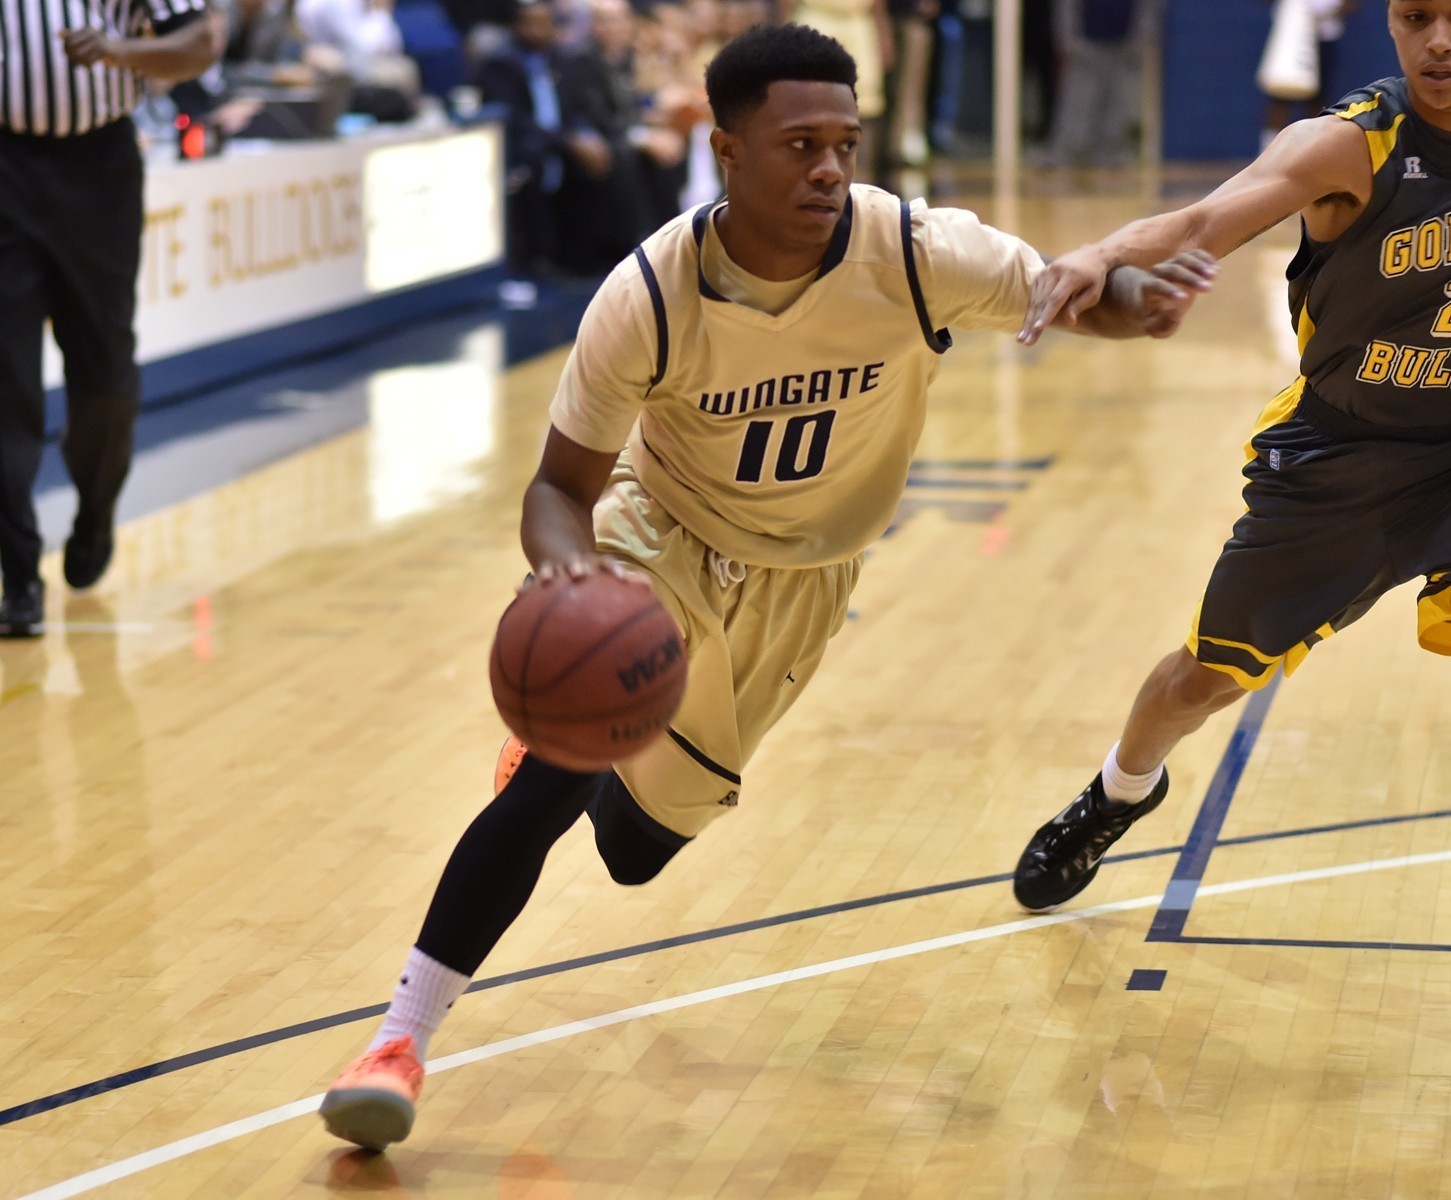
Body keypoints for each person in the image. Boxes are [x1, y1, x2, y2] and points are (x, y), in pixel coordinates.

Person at [318, 20, 1214, 1152]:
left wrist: (1143, 300)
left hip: (801, 581)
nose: (830, 167)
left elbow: (1067, 293)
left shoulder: (910, 252)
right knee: (553, 776)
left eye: (845, 140)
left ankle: (594, 743)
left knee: (638, 855)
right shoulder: (648, 292)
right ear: (726, 151)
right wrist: (574, 578)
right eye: (799, 145)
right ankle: (397, 1041)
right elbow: (556, 486)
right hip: (662, 538)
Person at [1012, 0, 1451, 913]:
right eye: (1416, 18)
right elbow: (1203, 218)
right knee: (1203, 678)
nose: (1438, 41)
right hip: (1348, 454)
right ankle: (1117, 793)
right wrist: (1103, 252)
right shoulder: (1351, 146)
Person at [0, 0, 218, 638]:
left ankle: (95, 510)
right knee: (5, 383)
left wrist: (123, 53)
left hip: (98, 170)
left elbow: (200, 43)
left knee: (106, 378)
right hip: (4, 168)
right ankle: (19, 578)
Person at [1261, 0, 1362, 151]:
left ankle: (1313, 152)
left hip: (1325, 37)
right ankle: (1266, 152)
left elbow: (1351, 4)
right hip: (1291, 36)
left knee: (1317, 102)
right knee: (1280, 96)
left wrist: (1328, 14)